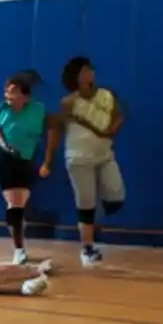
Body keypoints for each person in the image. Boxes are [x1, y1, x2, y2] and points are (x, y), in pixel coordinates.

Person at [59, 56, 125, 268]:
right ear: (76, 76)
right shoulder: (69, 102)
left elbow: (118, 115)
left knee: (116, 196)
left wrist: (113, 127)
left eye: (91, 69)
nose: (90, 73)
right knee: (85, 204)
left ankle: (95, 217)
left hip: (104, 154)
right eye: (84, 70)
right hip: (79, 158)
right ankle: (87, 248)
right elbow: (62, 125)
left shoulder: (106, 95)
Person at [0, 70, 59, 264]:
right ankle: (18, 249)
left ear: (26, 96)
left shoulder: (39, 111)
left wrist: (47, 162)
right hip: (5, 161)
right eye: (7, 91)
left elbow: (53, 131)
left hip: (26, 162)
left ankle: (19, 231)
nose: (8, 95)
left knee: (20, 204)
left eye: (14, 91)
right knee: (14, 205)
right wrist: (7, 147)